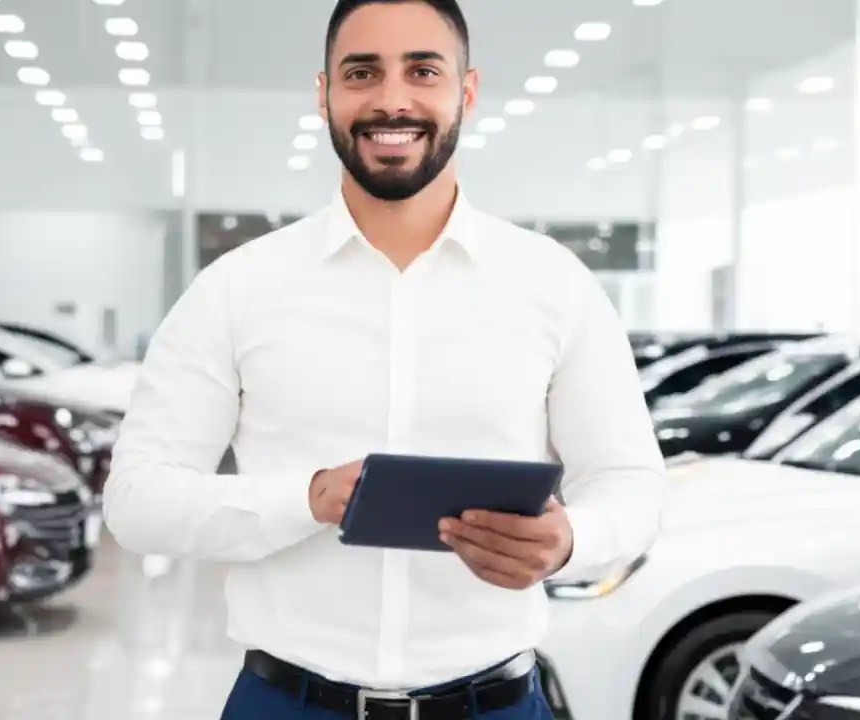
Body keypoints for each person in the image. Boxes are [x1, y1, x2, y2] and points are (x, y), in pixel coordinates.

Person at [103, 0, 668, 717]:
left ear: (465, 91)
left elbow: (632, 484)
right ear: (325, 93)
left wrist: (570, 540)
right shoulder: (237, 289)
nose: (392, 100)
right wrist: (307, 497)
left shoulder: (554, 285)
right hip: (288, 702)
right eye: (362, 72)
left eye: (423, 71)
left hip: (495, 704)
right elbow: (138, 501)